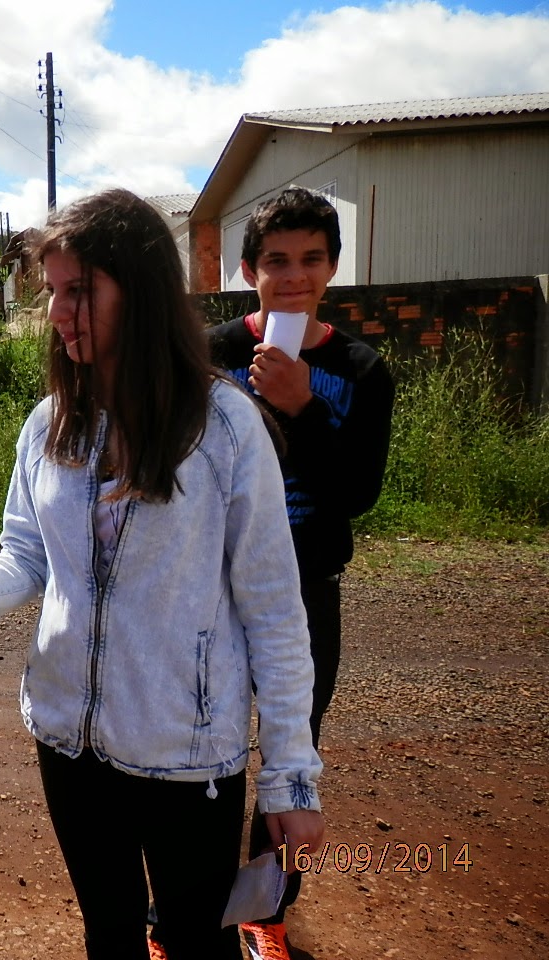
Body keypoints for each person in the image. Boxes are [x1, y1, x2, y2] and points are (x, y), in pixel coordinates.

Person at [0, 189, 324, 960]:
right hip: (68, 741)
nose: (58, 313)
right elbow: (25, 556)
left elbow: (272, 608)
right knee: (110, 934)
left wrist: (291, 776)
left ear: (141, 289)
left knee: (197, 944)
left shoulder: (224, 427)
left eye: (79, 290)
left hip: (187, 750)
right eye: (53, 291)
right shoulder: (49, 422)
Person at [207, 186, 394, 960]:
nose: (293, 276)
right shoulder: (212, 355)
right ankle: (182, 911)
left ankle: (264, 914)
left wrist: (303, 406)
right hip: (210, 591)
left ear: (333, 268)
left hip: (309, 589)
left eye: (311, 259)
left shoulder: (361, 370)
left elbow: (358, 494)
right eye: (276, 260)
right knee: (203, 752)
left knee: (291, 758)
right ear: (248, 270)